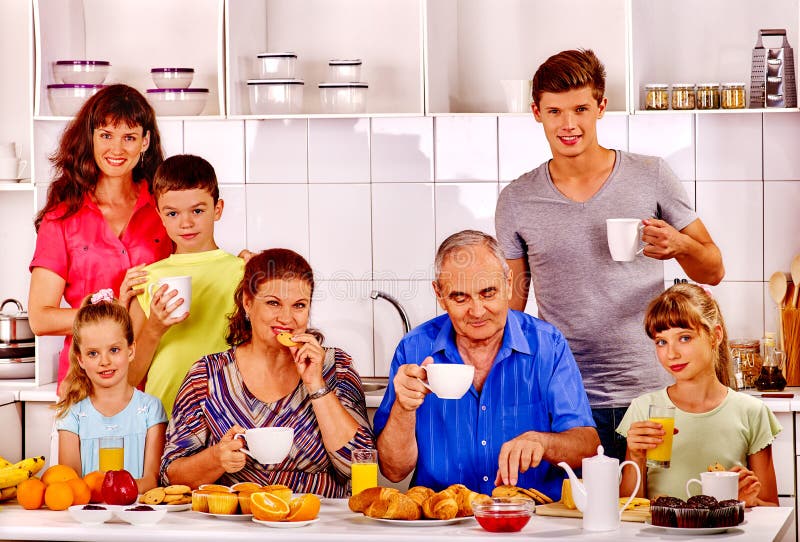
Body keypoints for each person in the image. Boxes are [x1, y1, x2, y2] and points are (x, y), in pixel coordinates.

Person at [494, 49, 724, 461]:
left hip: (652, 392)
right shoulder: (516, 199)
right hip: (562, 399)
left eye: (580, 109)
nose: (568, 124)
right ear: (536, 112)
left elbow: (713, 268)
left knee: (652, 512)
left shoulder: (650, 176)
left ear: (601, 107)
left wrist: (679, 245)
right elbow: (511, 305)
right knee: (573, 516)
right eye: (555, 111)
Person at [373, 230, 599, 500]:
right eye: (460, 297)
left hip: (533, 519)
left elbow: (589, 448)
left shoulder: (547, 345)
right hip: (441, 521)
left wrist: (543, 442)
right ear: (439, 294)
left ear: (508, 283)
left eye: (488, 293)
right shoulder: (413, 349)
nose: (477, 311)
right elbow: (393, 471)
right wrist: (403, 408)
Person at [160, 249, 374, 497]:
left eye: (299, 305)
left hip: (319, 523)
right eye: (273, 303)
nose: (286, 317)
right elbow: (170, 476)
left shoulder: (335, 366)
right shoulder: (206, 375)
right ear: (247, 303)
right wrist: (216, 459)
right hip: (235, 524)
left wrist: (316, 385)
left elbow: (360, 467)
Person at [28, 84, 171, 390]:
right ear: (90, 137)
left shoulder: (164, 208)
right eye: (106, 135)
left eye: (129, 137)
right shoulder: (62, 218)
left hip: (157, 383)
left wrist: (241, 264)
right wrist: (112, 310)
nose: (116, 150)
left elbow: (196, 264)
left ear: (145, 141)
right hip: (84, 387)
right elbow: (41, 319)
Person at [617, 283, 780, 505]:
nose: (671, 354)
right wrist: (636, 456)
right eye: (661, 342)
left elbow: (772, 507)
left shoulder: (751, 412)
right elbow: (628, 508)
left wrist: (745, 501)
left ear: (715, 336)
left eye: (684, 338)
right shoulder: (643, 409)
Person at [127, 154, 244, 417]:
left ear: (218, 209)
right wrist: (155, 328)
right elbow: (130, 377)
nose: (186, 223)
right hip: (163, 417)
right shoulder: (146, 279)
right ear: (159, 215)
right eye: (173, 213)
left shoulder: (243, 272)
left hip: (229, 416)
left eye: (198, 210)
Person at [54, 290, 166, 492]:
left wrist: (118, 494)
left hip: (137, 515)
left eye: (114, 350)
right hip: (90, 517)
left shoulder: (151, 409)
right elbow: (70, 481)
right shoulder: (73, 413)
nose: (104, 361)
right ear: (81, 359)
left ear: (131, 350)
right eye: (93, 353)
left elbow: (151, 479)